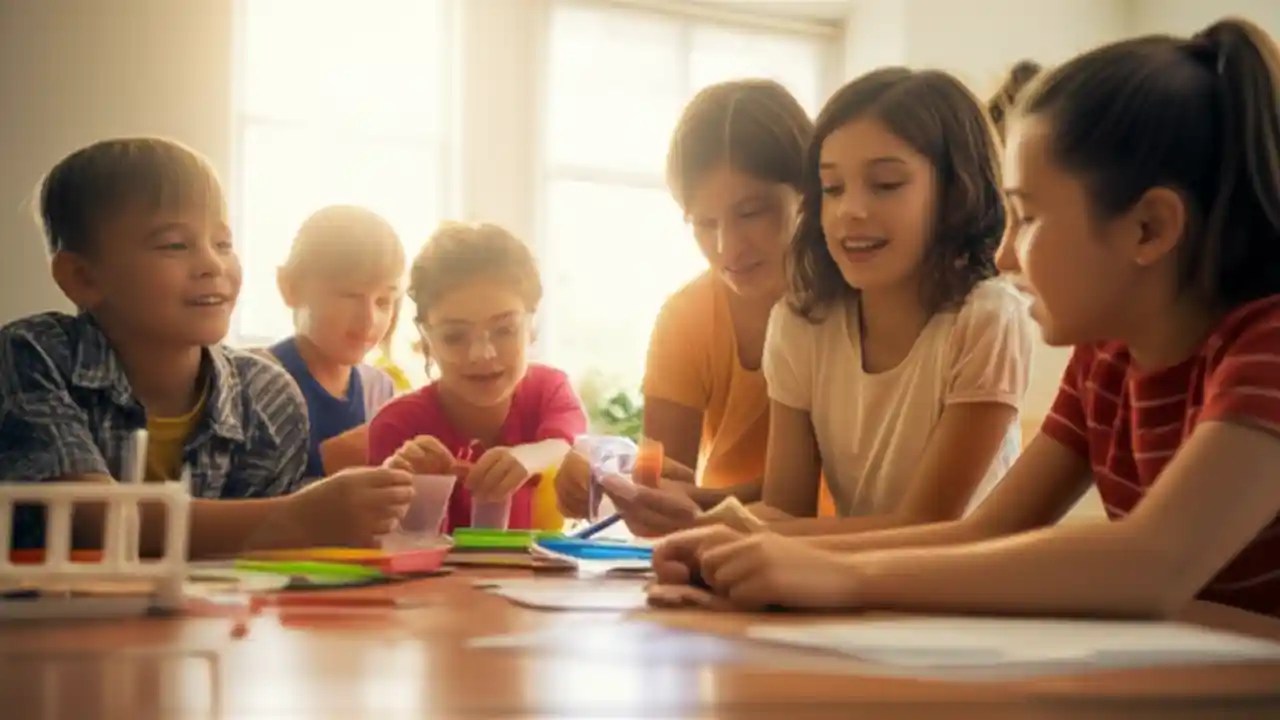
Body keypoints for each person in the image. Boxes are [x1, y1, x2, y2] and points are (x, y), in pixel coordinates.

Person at [652, 18, 1280, 620]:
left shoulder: (1267, 348)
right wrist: (766, 552)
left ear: (1150, 228)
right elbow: (986, 531)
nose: (1006, 254)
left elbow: (1153, 564)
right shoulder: (1105, 362)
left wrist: (840, 573)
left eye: (1028, 218)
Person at [0, 138, 412, 557]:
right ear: (83, 277)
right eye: (175, 244)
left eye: (223, 244)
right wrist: (296, 517)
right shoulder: (33, 356)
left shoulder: (267, 397)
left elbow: (248, 566)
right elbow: (89, 520)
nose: (213, 265)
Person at [555, 79, 819, 530]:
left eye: (751, 212)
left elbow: (802, 496)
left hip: (845, 548)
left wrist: (697, 500)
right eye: (703, 222)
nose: (727, 247)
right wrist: (606, 470)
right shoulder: (687, 317)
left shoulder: (851, 306)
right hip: (722, 548)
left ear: (809, 194)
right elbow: (660, 491)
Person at [369, 222, 587, 532]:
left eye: (504, 330)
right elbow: (385, 540)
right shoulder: (398, 425)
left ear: (532, 326)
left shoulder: (548, 390)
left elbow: (567, 443)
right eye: (455, 336)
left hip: (535, 579)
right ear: (426, 336)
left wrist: (526, 457)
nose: (481, 354)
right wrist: (404, 481)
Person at [269, 205, 402, 479]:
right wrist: (327, 462)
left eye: (383, 301)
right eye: (349, 295)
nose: (368, 319)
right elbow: (240, 495)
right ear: (289, 287)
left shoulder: (379, 390)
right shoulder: (258, 380)